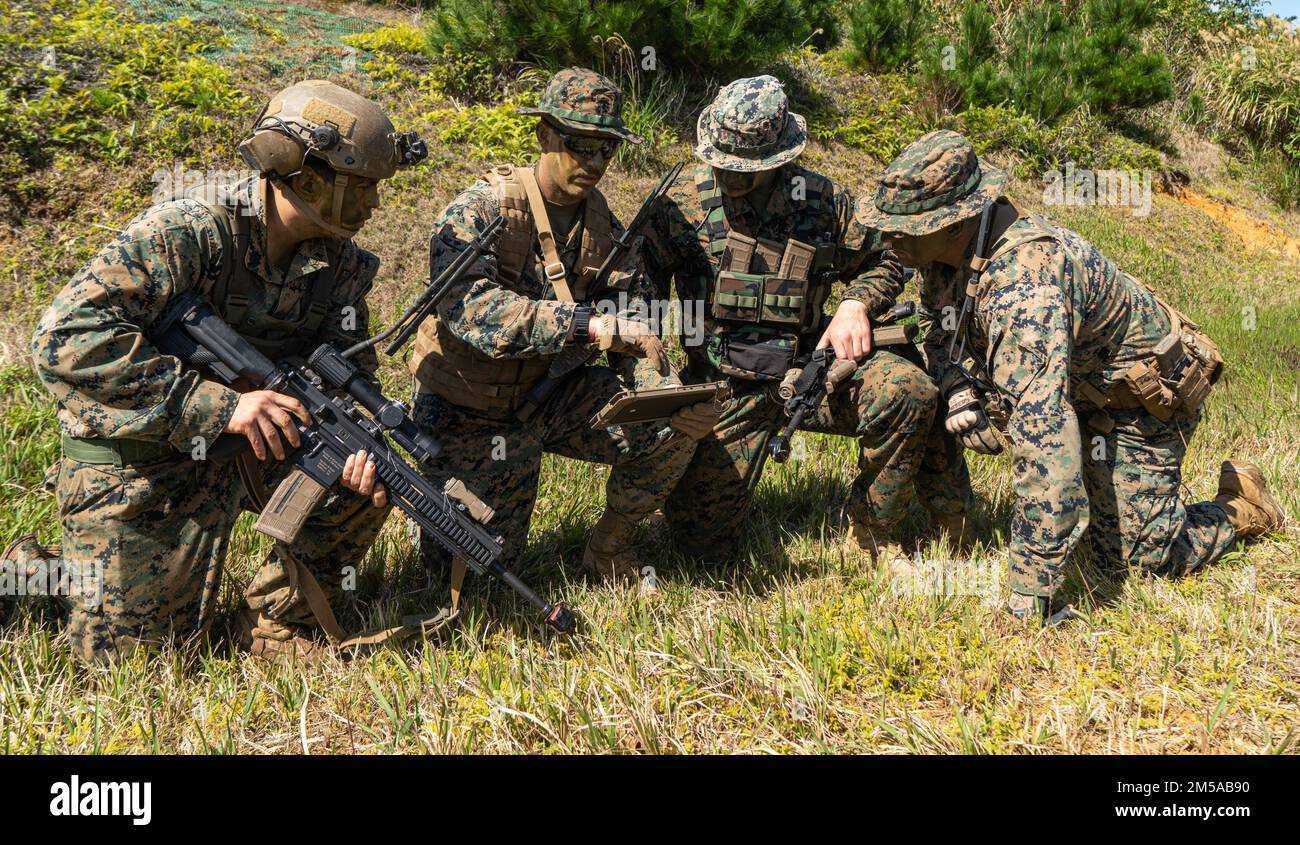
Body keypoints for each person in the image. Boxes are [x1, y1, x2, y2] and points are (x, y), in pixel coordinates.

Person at [22, 80, 418, 660]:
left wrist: (359, 443)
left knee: (366, 470)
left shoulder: (345, 267)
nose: (374, 205)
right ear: (300, 173)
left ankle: (278, 622)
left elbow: (351, 370)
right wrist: (223, 407)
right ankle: (37, 575)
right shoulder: (189, 231)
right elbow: (64, 339)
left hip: (257, 445)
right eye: (360, 186)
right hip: (148, 453)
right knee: (140, 660)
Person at [860, 129, 1286, 619]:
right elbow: (940, 331)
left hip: (1137, 409)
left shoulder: (1026, 282)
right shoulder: (944, 254)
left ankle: (1240, 507)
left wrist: (1031, 590)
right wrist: (957, 390)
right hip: (1079, 392)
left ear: (954, 222)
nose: (889, 237)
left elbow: (1044, 433)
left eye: (903, 227)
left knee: (1138, 559)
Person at [406, 67, 711, 584]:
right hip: (469, 408)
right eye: (579, 145)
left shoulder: (604, 225)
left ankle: (610, 550)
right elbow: (466, 310)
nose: (593, 163)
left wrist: (662, 389)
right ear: (544, 133)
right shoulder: (482, 210)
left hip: (552, 397)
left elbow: (630, 312)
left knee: (671, 423)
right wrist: (587, 325)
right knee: (475, 575)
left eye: (606, 150)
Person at [637, 75, 943, 568]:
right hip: (721, 394)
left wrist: (855, 304)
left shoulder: (822, 201)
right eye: (724, 164)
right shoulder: (680, 208)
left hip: (813, 372)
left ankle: (873, 532)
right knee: (700, 549)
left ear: (780, 158)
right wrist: (653, 366)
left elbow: (886, 261)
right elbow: (638, 300)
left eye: (748, 169)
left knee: (908, 389)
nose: (732, 176)